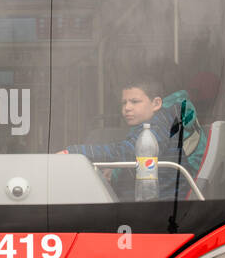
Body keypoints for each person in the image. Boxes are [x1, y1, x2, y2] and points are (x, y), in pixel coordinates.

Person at [63, 77, 207, 200]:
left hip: (159, 205)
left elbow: (128, 151)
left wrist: (73, 151)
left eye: (135, 101)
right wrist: (116, 172)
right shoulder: (152, 124)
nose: (127, 108)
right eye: (124, 103)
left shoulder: (159, 126)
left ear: (156, 103)